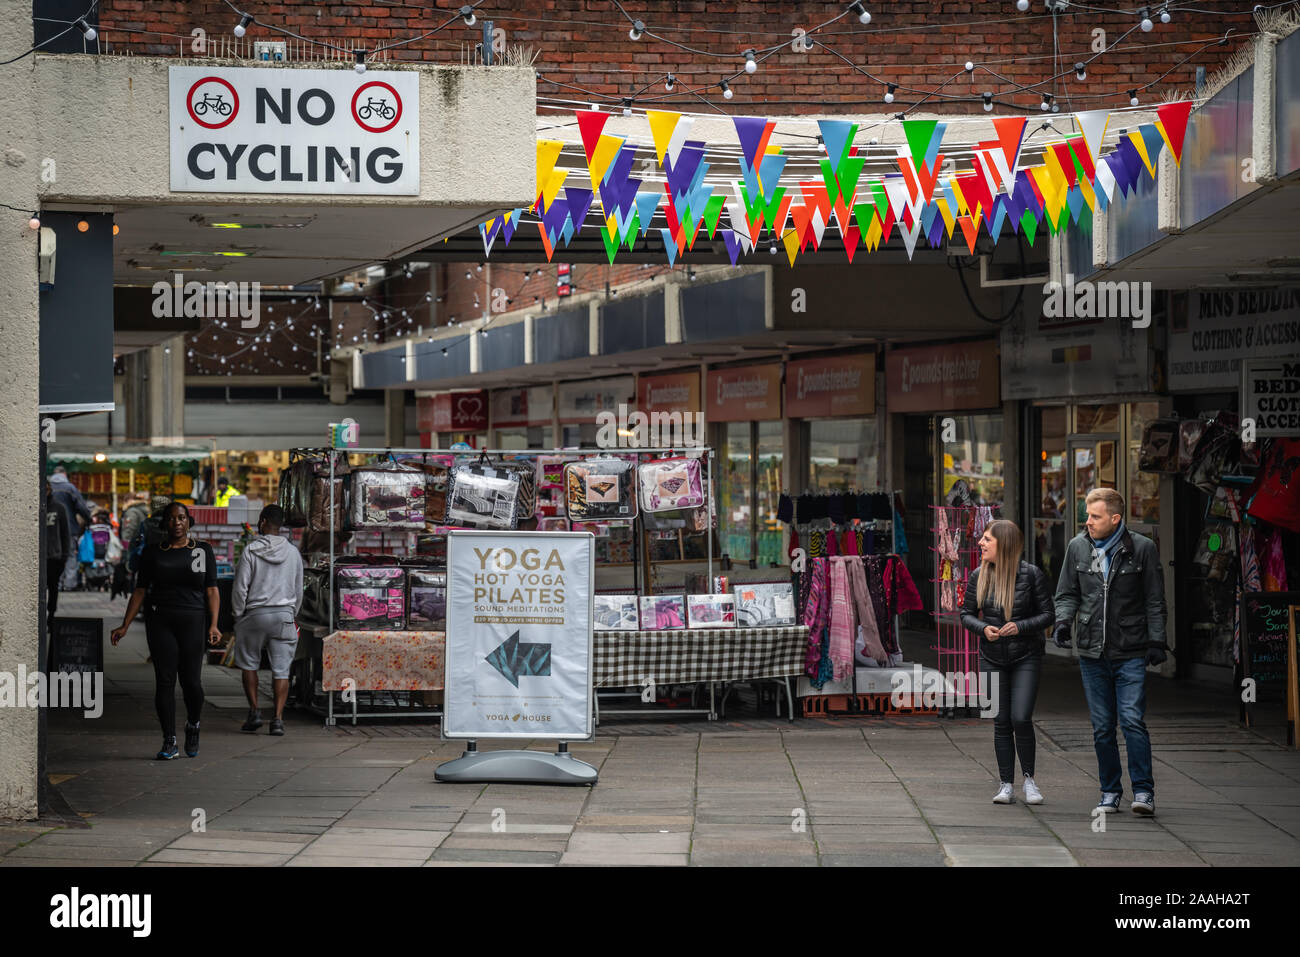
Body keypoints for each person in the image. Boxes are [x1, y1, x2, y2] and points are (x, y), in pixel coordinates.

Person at [1053, 488, 1168, 817]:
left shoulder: (1142, 549)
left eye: (1095, 516)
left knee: (1132, 720)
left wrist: (1157, 641)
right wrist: (1063, 623)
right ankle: (1110, 791)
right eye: (1087, 515)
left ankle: (1143, 791)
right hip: (1091, 651)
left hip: (1130, 649)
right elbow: (1067, 593)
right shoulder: (1078, 547)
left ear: (1115, 518)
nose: (1087, 522)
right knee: (1102, 726)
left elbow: (1155, 600)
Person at [110, 503, 221, 760]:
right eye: (171, 519)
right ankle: (169, 740)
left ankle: (193, 724)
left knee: (191, 682)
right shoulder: (152, 553)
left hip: (194, 620)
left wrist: (214, 624)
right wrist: (125, 624)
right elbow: (140, 590)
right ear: (164, 524)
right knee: (165, 681)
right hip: (160, 620)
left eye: (181, 518)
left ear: (189, 521)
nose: (177, 523)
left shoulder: (202, 551)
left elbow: (212, 590)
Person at [960, 519, 1055, 806]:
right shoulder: (979, 575)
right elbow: (965, 614)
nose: (981, 543)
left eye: (987, 539)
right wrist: (982, 629)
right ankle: (1005, 784)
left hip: (1026, 655)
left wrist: (1021, 626)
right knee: (1000, 721)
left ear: (1005, 543)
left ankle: (1030, 781)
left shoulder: (1031, 574)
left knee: (1020, 717)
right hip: (991, 656)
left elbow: (1048, 614)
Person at [232, 505, 303, 736]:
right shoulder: (293, 553)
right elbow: (298, 589)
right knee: (281, 670)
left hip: (255, 615)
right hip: (284, 615)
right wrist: (292, 614)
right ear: (280, 524)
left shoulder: (251, 550)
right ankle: (278, 719)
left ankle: (254, 712)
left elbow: (240, 587)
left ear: (262, 521)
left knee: (249, 664)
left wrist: (238, 614)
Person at [49, 465, 92, 590]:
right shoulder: (70, 488)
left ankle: (56, 584)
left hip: (50, 528)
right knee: (70, 555)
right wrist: (88, 519)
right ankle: (69, 584)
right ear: (65, 475)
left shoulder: (47, 487)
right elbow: (82, 507)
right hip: (69, 528)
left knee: (53, 556)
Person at [44, 480, 70, 634]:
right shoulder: (36, 507)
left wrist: (64, 556)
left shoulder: (59, 508)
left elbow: (65, 533)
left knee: (53, 588)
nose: (46, 490)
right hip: (40, 557)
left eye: (48, 488)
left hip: (55, 556)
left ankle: (51, 617)